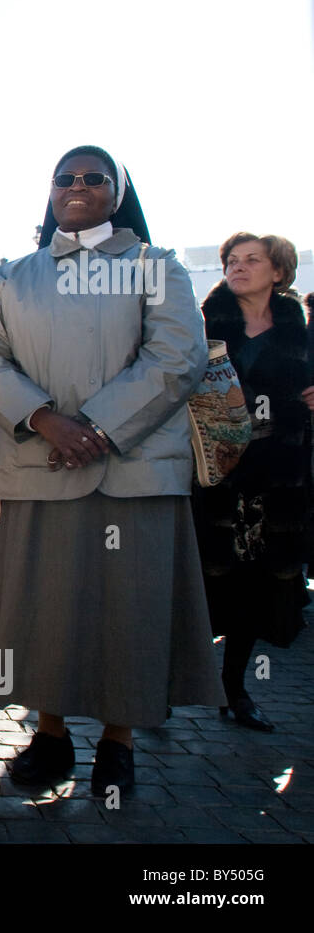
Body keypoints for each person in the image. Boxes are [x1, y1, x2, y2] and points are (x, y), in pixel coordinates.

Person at [0, 145, 225, 797]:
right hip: (40, 466)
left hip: (135, 469)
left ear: (119, 193)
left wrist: (100, 429)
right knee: (45, 610)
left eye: (95, 178)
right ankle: (51, 733)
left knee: (131, 611)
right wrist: (44, 419)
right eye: (66, 178)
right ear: (50, 191)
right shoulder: (9, 276)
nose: (78, 186)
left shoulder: (157, 268)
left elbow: (178, 356)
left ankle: (119, 742)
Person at [195, 232, 311, 732]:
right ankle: (157, 689)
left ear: (279, 272)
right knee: (195, 580)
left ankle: (234, 687)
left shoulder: (298, 331)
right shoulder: (202, 323)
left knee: (255, 585)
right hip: (211, 471)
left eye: (252, 261)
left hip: (275, 476)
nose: (238, 268)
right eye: (232, 261)